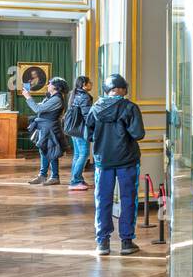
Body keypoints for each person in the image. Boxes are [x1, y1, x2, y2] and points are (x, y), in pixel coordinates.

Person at [87, 74, 146, 256]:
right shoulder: (130, 107)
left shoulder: (95, 108)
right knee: (128, 199)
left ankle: (103, 242)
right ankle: (127, 242)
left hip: (103, 160)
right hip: (127, 159)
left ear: (106, 90)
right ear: (124, 89)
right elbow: (138, 134)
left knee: (102, 199)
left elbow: (87, 135)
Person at [21, 76, 68, 186]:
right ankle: (42, 176)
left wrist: (28, 97)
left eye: (50, 84)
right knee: (44, 150)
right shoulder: (51, 97)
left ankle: (55, 177)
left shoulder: (56, 99)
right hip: (45, 127)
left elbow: (37, 109)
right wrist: (29, 97)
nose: (48, 85)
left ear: (56, 87)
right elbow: (39, 107)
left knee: (51, 151)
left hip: (50, 128)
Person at [63, 75, 94, 192]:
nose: (91, 83)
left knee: (77, 155)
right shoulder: (84, 97)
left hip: (73, 129)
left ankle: (77, 180)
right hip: (81, 130)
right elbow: (87, 115)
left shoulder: (75, 94)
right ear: (84, 85)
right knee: (84, 154)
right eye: (89, 82)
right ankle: (75, 181)